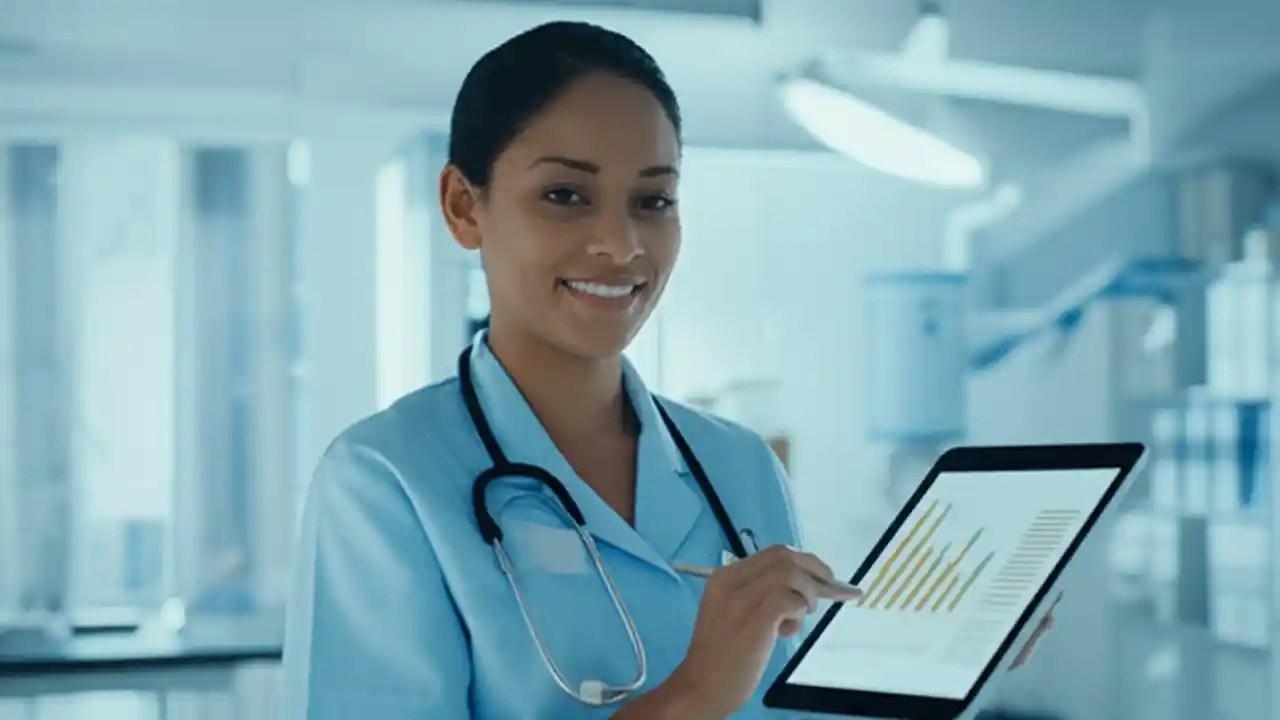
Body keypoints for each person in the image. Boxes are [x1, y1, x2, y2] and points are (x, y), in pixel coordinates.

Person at [282, 20, 1050, 719]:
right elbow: (710, 699)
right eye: (565, 195)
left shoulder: (737, 466)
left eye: (653, 200)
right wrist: (690, 698)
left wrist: (935, 672)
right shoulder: (386, 481)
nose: (620, 244)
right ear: (462, 206)